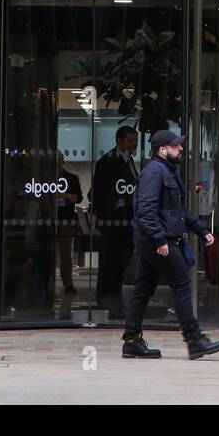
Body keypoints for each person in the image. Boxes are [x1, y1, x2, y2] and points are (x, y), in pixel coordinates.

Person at [122, 130, 219, 360]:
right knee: (181, 284)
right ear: (162, 150)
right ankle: (194, 339)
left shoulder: (166, 172)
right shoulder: (154, 173)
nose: (180, 149)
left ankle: (131, 341)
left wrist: (201, 230)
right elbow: (145, 211)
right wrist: (159, 239)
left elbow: (178, 211)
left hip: (154, 240)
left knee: (142, 290)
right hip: (158, 241)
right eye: (175, 146)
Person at [90, 125, 140, 315]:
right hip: (113, 222)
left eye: (135, 140)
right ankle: (107, 301)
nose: (134, 144)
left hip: (126, 221)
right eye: (130, 140)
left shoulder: (129, 161)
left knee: (120, 263)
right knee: (110, 263)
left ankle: (114, 300)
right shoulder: (108, 161)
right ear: (119, 141)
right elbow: (100, 191)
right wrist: (113, 207)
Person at [54, 154, 83, 295]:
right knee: (47, 252)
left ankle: (68, 284)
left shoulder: (71, 178)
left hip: (65, 218)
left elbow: (79, 198)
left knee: (66, 254)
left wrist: (66, 196)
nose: (58, 163)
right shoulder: (45, 178)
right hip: (49, 218)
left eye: (59, 160)